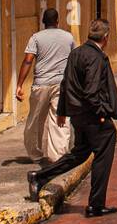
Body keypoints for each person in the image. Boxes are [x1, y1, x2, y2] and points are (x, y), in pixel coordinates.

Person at [27, 19, 117, 216]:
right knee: (103, 156)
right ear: (106, 37)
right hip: (93, 116)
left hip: (78, 115)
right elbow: (91, 90)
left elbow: (66, 83)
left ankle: (39, 176)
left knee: (79, 153)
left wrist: (63, 110)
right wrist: (101, 114)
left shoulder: (76, 53)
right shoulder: (96, 58)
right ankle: (95, 204)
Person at [16, 9, 74, 165]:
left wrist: (19, 85)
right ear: (57, 21)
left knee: (35, 119)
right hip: (61, 84)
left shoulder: (36, 38)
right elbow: (73, 60)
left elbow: (28, 60)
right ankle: (59, 156)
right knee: (60, 118)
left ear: (43, 21)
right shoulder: (68, 38)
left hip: (41, 84)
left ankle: (35, 153)